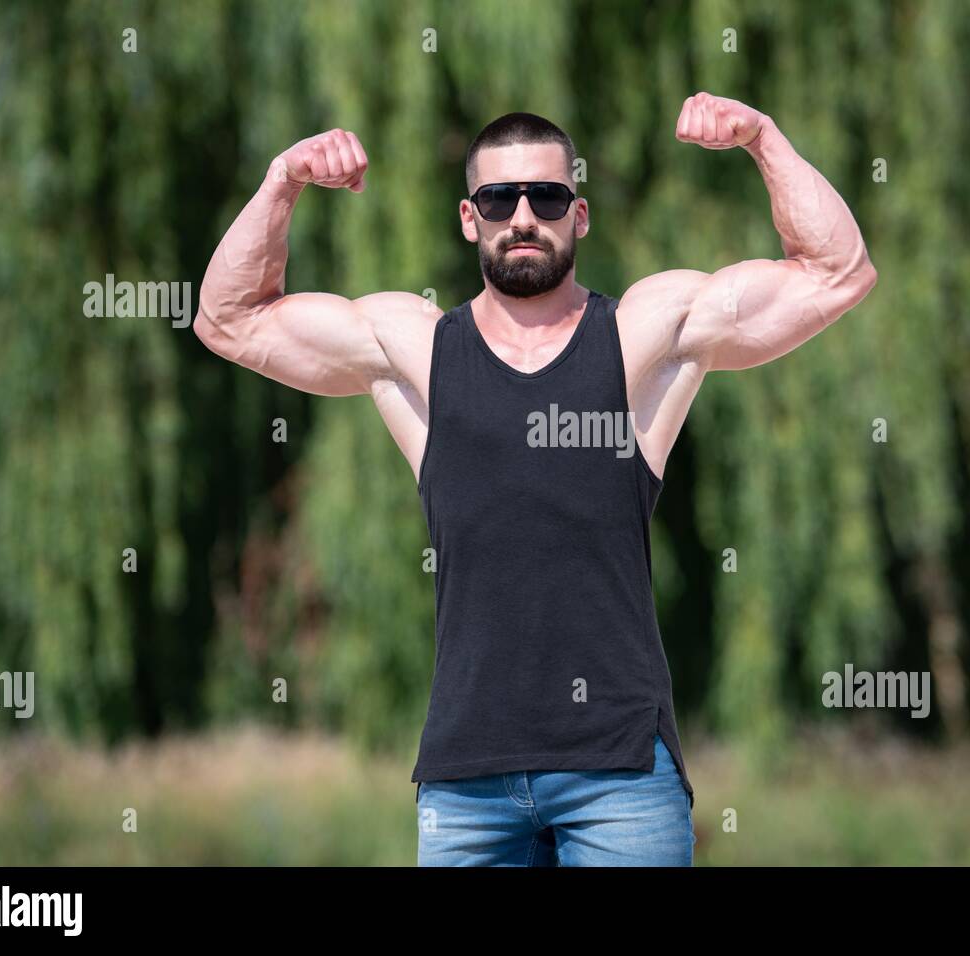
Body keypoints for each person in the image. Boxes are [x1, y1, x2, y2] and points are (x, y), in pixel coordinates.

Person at [195, 92, 876, 866]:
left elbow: (836, 275)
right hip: (466, 782)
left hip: (620, 774)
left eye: (546, 196)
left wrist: (763, 136)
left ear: (578, 216)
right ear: (468, 217)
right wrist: (282, 180)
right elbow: (229, 319)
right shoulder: (418, 352)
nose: (522, 215)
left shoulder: (639, 339)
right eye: (498, 198)